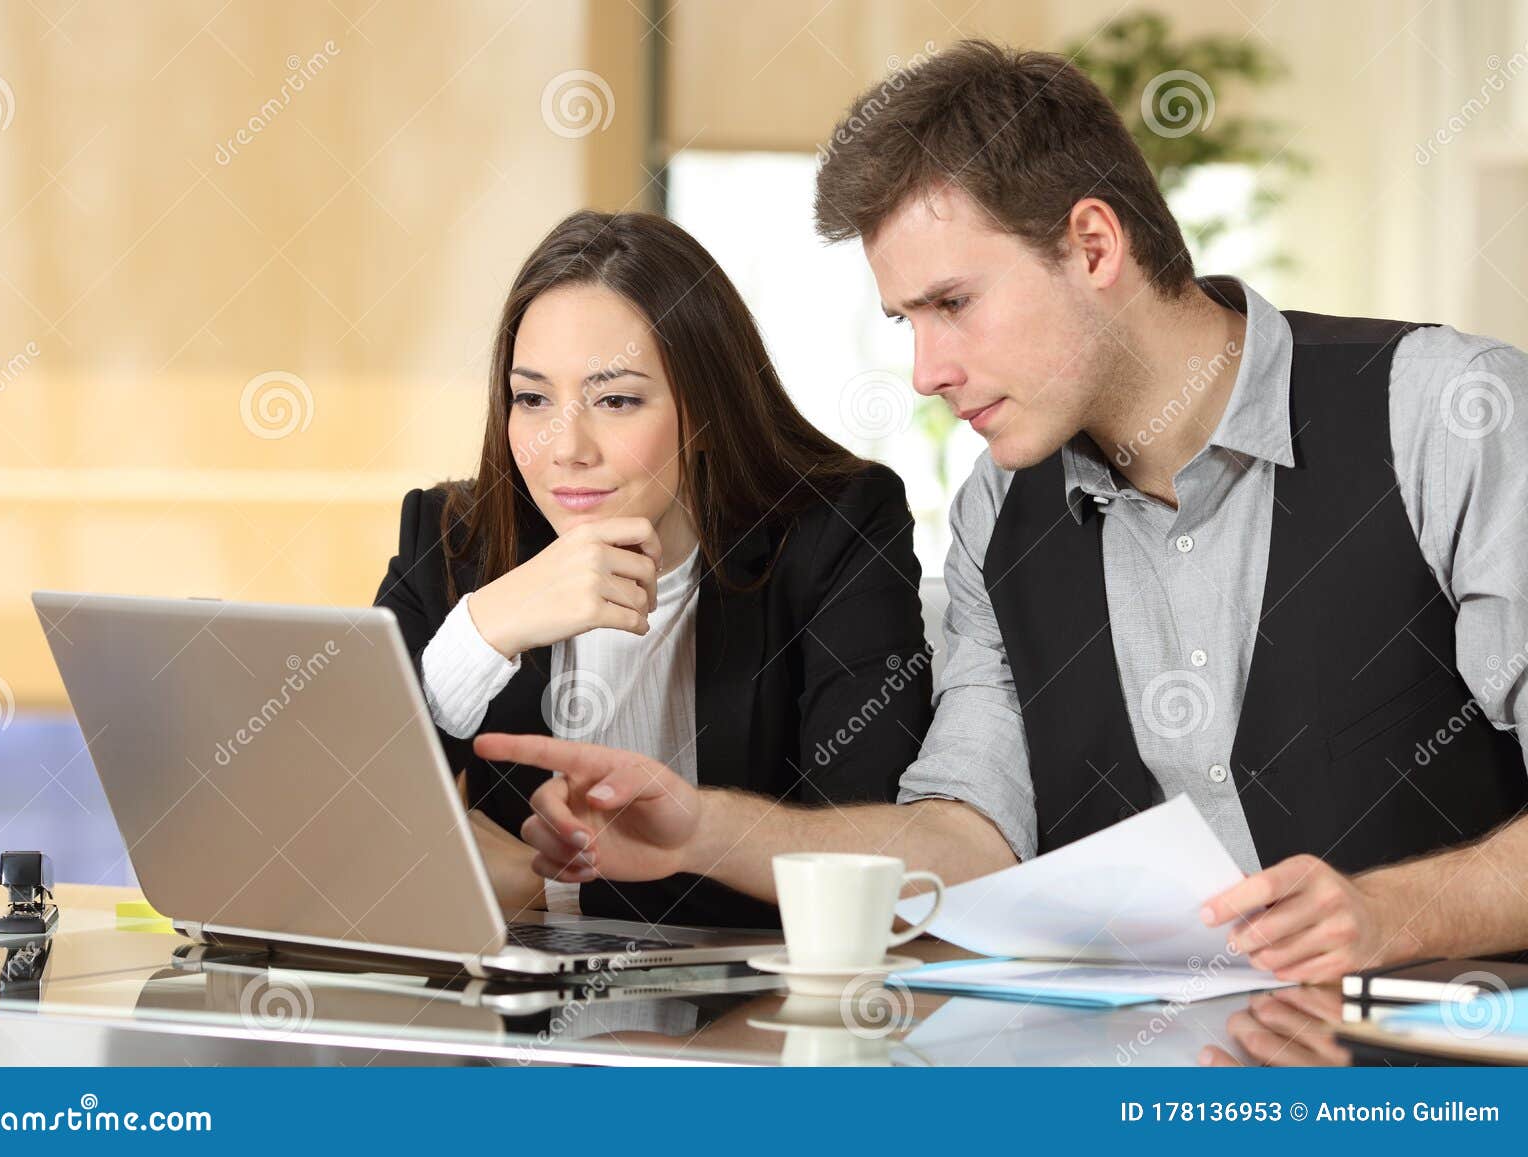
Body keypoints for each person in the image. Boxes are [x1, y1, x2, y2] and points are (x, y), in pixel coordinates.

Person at [487, 40, 1528, 983]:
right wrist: (700, 828)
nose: (926, 369)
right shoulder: (999, 509)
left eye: (952, 304)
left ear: (1090, 245)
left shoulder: (1442, 414)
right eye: (904, 319)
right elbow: (966, 840)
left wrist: (1392, 911)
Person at [375, 209, 933, 930]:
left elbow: (863, 874)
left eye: (616, 399)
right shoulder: (451, 542)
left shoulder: (836, 534)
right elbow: (332, 836)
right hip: (513, 1036)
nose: (565, 446)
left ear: (703, 409)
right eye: (533, 398)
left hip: (757, 1028)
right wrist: (484, 631)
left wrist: (548, 889)